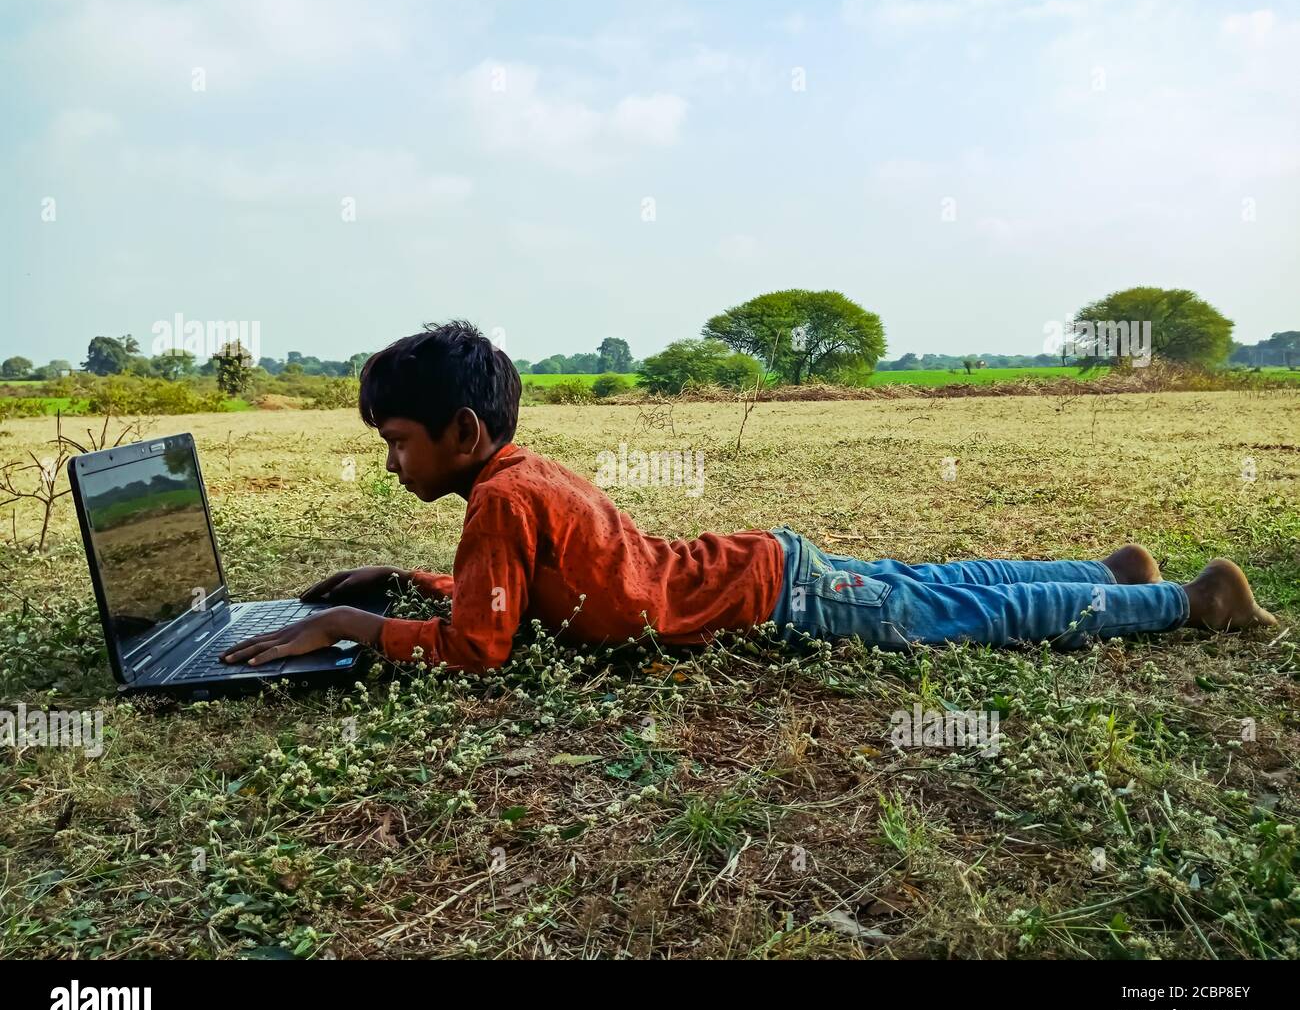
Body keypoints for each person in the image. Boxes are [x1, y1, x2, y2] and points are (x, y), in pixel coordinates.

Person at [222, 322, 1277, 673]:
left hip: (778, 598)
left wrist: (359, 626)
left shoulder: (499, 503)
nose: (392, 464)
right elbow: (506, 601)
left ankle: (1185, 600)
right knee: (944, 584)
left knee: (966, 615)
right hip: (767, 568)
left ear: (460, 434)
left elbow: (479, 647)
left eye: (398, 443)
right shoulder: (513, 483)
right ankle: (1106, 572)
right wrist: (400, 581)